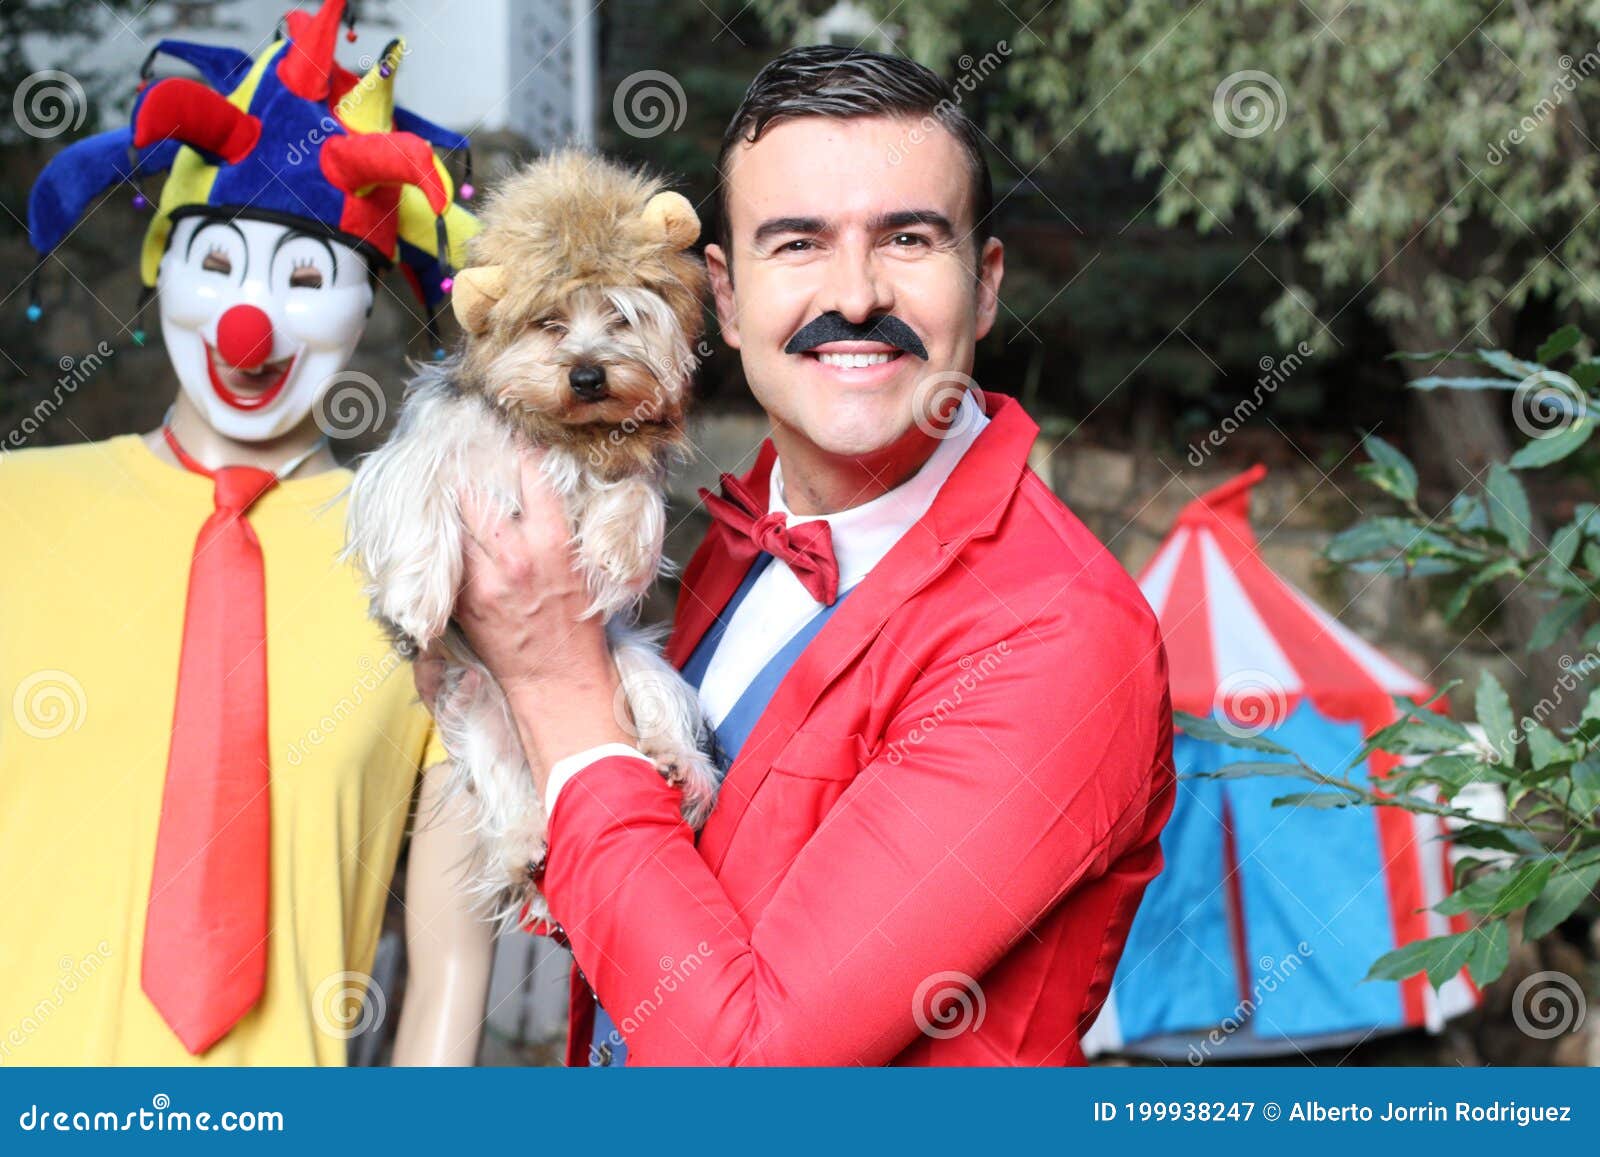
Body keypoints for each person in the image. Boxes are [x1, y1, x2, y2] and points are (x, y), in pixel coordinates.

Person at [423, 44, 1176, 1066]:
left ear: (985, 284)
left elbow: (748, 1067)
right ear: (723, 300)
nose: (856, 295)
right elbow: (659, 903)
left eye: (907, 238)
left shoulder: (1059, 635)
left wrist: (555, 682)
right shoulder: (734, 536)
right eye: (798, 243)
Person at [0, 0, 488, 1065]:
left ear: (366, 307)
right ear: (161, 273)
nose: (247, 323)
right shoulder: (10, 514)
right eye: (216, 265)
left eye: (306, 278)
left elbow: (450, 976)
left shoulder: (427, 564)